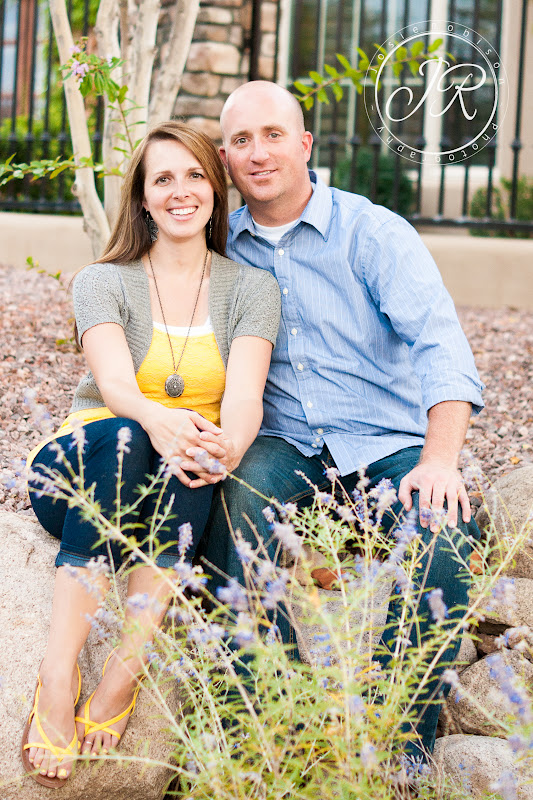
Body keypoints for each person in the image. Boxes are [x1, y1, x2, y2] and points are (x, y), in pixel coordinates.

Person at [199, 81, 484, 762]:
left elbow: (442, 347)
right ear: (226, 157)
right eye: (241, 140)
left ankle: (395, 741)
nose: (258, 153)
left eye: (272, 135)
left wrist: (438, 460)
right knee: (226, 512)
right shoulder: (217, 248)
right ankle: (282, 718)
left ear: (303, 145)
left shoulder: (373, 232)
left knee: (442, 535)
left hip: (384, 444)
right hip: (281, 444)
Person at [21, 120, 280, 787]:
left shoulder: (251, 289)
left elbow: (246, 396)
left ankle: (123, 670)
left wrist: (229, 443)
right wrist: (163, 421)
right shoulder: (103, 280)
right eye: (162, 178)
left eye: (195, 175)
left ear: (216, 192)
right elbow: (112, 385)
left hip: (173, 482)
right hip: (83, 469)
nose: (181, 191)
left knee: (198, 445)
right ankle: (57, 672)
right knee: (143, 432)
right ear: (141, 197)